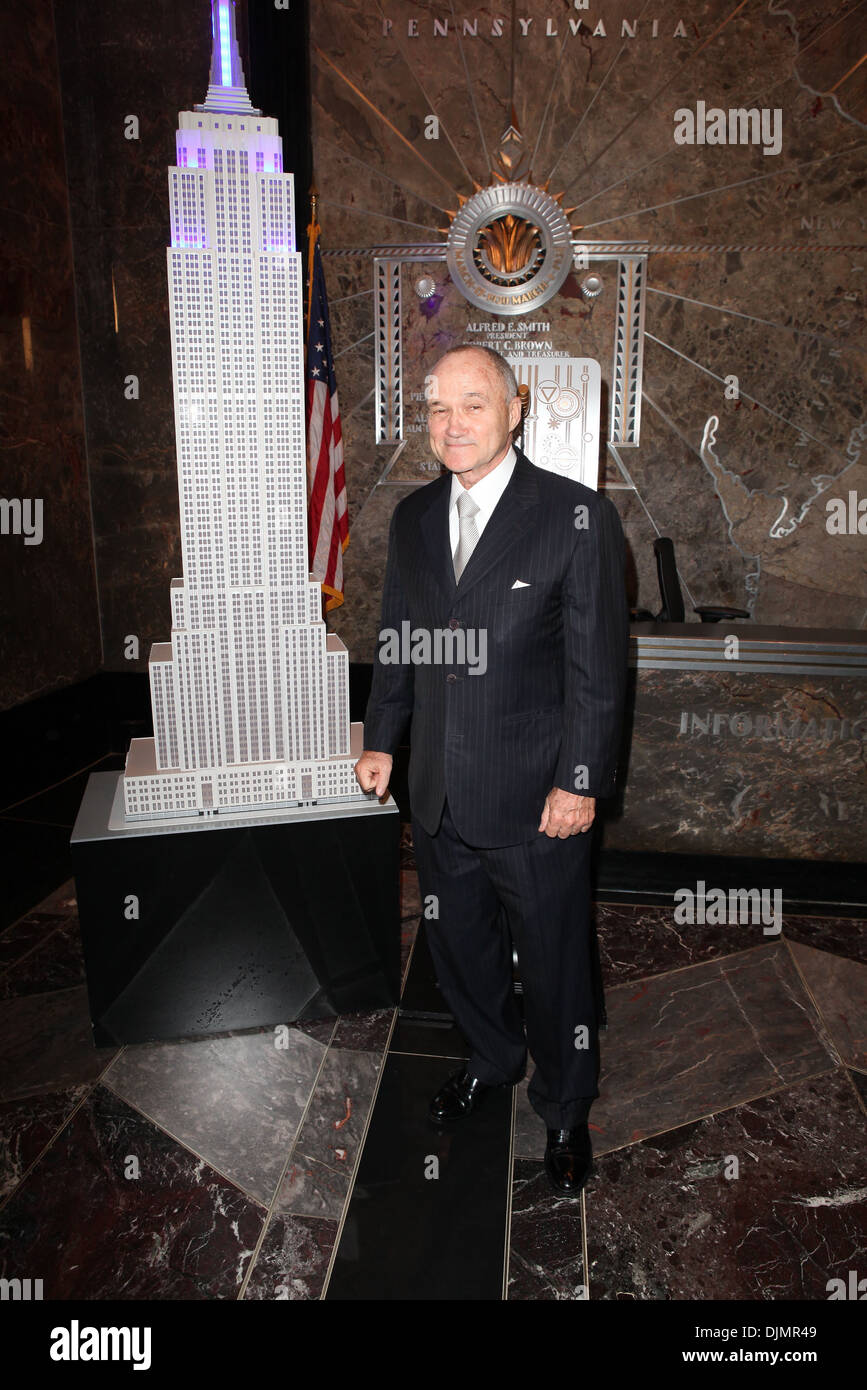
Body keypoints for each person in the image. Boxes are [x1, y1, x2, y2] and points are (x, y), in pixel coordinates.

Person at [354, 344, 628, 1194]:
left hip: (536, 800)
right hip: (435, 791)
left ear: (516, 409)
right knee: (457, 949)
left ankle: (564, 1107)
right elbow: (399, 642)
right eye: (437, 408)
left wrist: (579, 781)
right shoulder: (410, 519)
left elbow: (597, 671)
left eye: (473, 404)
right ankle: (491, 1059)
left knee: (552, 965)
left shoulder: (575, 518)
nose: (451, 424)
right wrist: (378, 738)